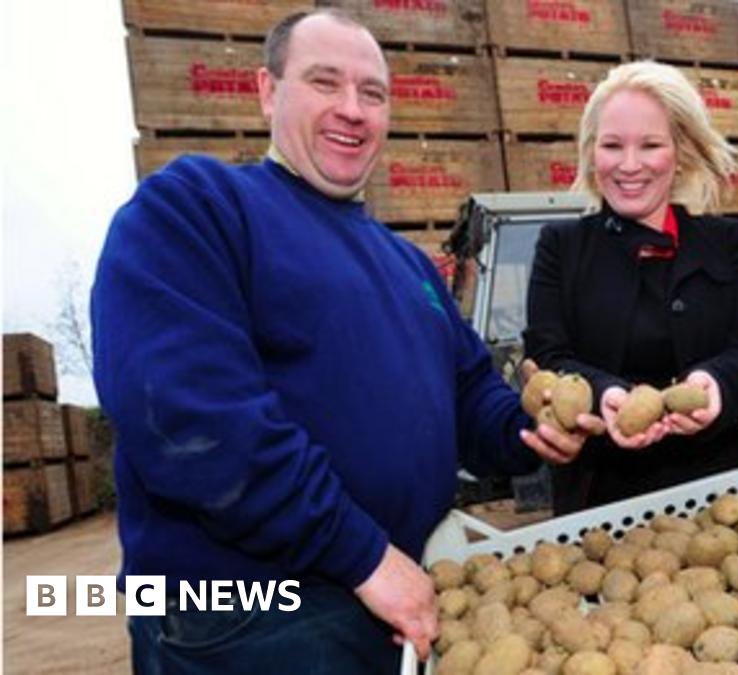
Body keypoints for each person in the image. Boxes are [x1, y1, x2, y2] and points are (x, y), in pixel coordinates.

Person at [91, 10, 600, 673]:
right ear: (268, 90)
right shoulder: (195, 206)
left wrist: (528, 425)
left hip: (386, 596)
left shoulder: (408, 265)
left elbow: (470, 392)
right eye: (324, 82)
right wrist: (358, 551)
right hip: (249, 619)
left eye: (373, 93)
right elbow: (191, 416)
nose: (352, 110)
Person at [522, 61, 738, 514]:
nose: (629, 165)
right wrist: (604, 395)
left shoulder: (724, 241)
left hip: (721, 493)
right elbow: (548, 355)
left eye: (651, 145)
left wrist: (715, 384)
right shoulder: (560, 245)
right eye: (612, 145)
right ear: (591, 153)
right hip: (600, 497)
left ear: (680, 152)